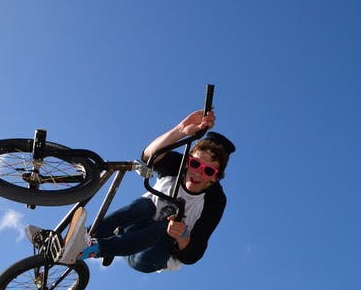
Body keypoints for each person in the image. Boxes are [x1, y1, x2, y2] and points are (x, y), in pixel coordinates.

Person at [27, 109, 235, 273]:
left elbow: (193, 254)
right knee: (145, 205)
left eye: (207, 171)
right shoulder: (178, 166)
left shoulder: (215, 200)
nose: (198, 173)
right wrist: (180, 130)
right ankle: (72, 242)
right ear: (188, 161)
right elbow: (148, 156)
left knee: (166, 226)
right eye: (195, 164)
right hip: (131, 230)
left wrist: (182, 236)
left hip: (151, 255)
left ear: (215, 178)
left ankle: (94, 248)